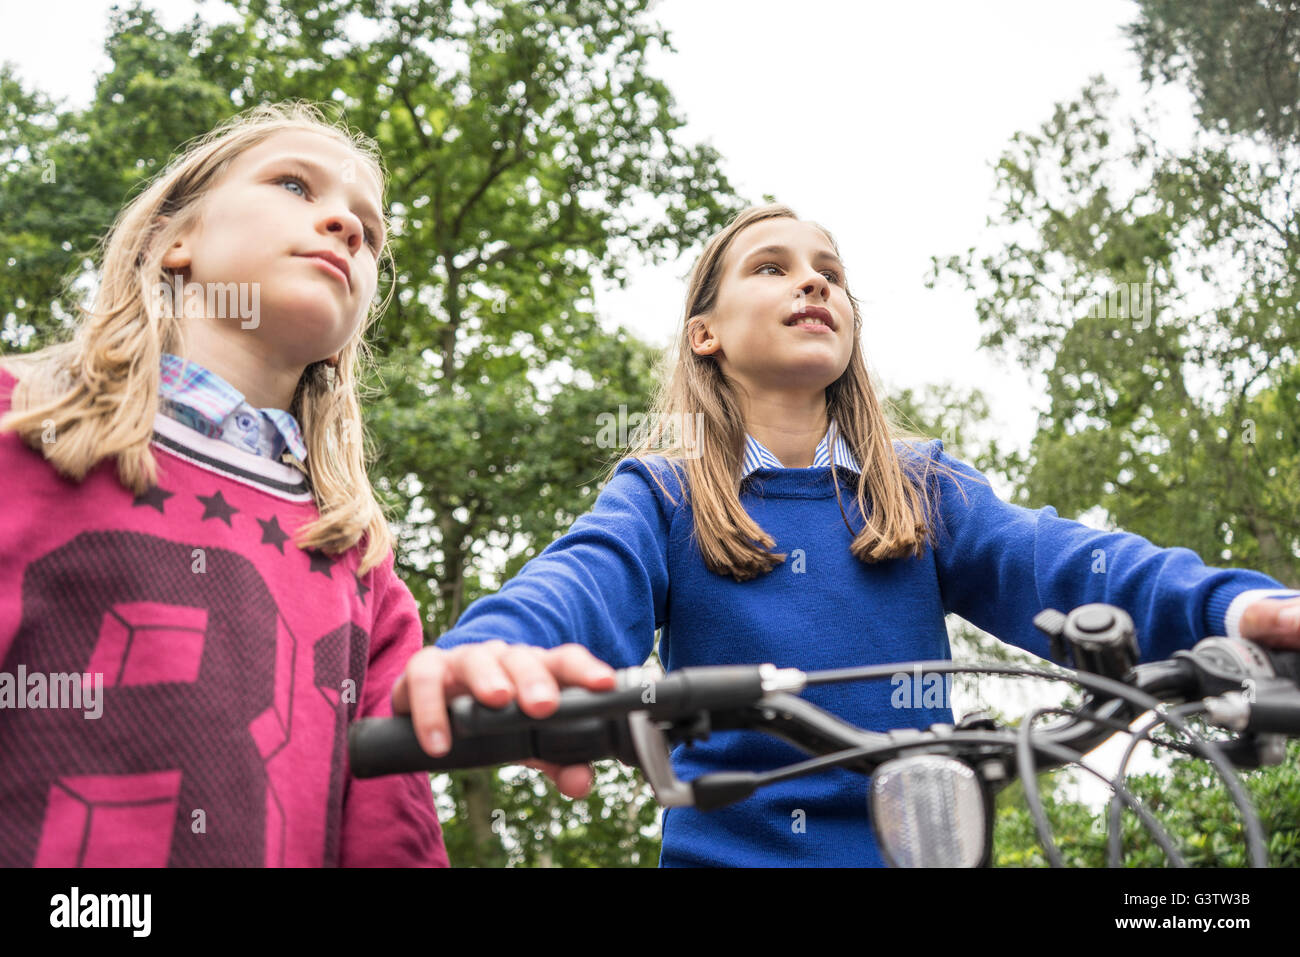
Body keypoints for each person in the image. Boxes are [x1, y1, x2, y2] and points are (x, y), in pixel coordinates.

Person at [392, 203, 1300, 867]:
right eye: (772, 267)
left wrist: (1237, 607)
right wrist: (496, 652)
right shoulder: (663, 494)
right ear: (704, 334)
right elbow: (580, 584)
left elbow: (1053, 560)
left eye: (828, 268)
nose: (812, 280)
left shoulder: (918, 487)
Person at [0, 101, 452, 866]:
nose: (346, 226)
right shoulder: (20, 421)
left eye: (370, 232)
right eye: (295, 186)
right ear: (176, 240)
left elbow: (392, 829)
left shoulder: (363, 560)